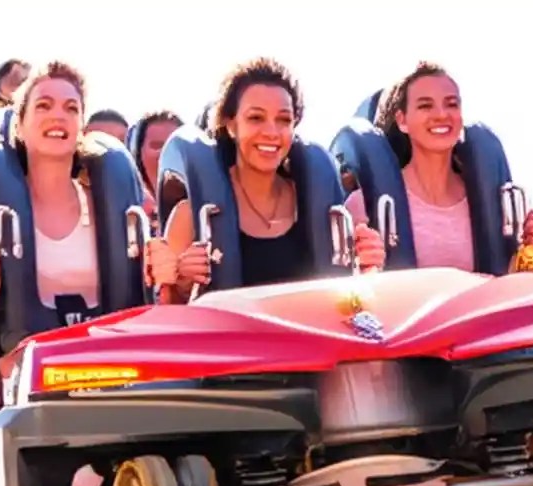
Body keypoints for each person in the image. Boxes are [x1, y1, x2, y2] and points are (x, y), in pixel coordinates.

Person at [0, 60, 144, 389]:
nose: (58, 116)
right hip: (26, 393)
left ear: (81, 126)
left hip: (112, 381)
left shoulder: (118, 213)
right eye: (43, 105)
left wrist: (170, 279)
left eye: (71, 108)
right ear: (20, 126)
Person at [147, 57, 385, 303]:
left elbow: (355, 304)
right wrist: (181, 284)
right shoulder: (191, 215)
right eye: (256, 118)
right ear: (230, 125)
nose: (271, 132)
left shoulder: (327, 213)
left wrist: (368, 270)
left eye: (283, 120)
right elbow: (168, 318)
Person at [343, 61, 533, 273]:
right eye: (425, 106)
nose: (442, 115)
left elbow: (510, 286)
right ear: (402, 120)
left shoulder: (495, 205)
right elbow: (347, 296)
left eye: (451, 104)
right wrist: (364, 268)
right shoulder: (364, 205)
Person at [131, 109, 183, 228]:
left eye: (173, 146)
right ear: (139, 155)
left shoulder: (204, 213)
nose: (166, 153)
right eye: (157, 146)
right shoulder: (128, 215)